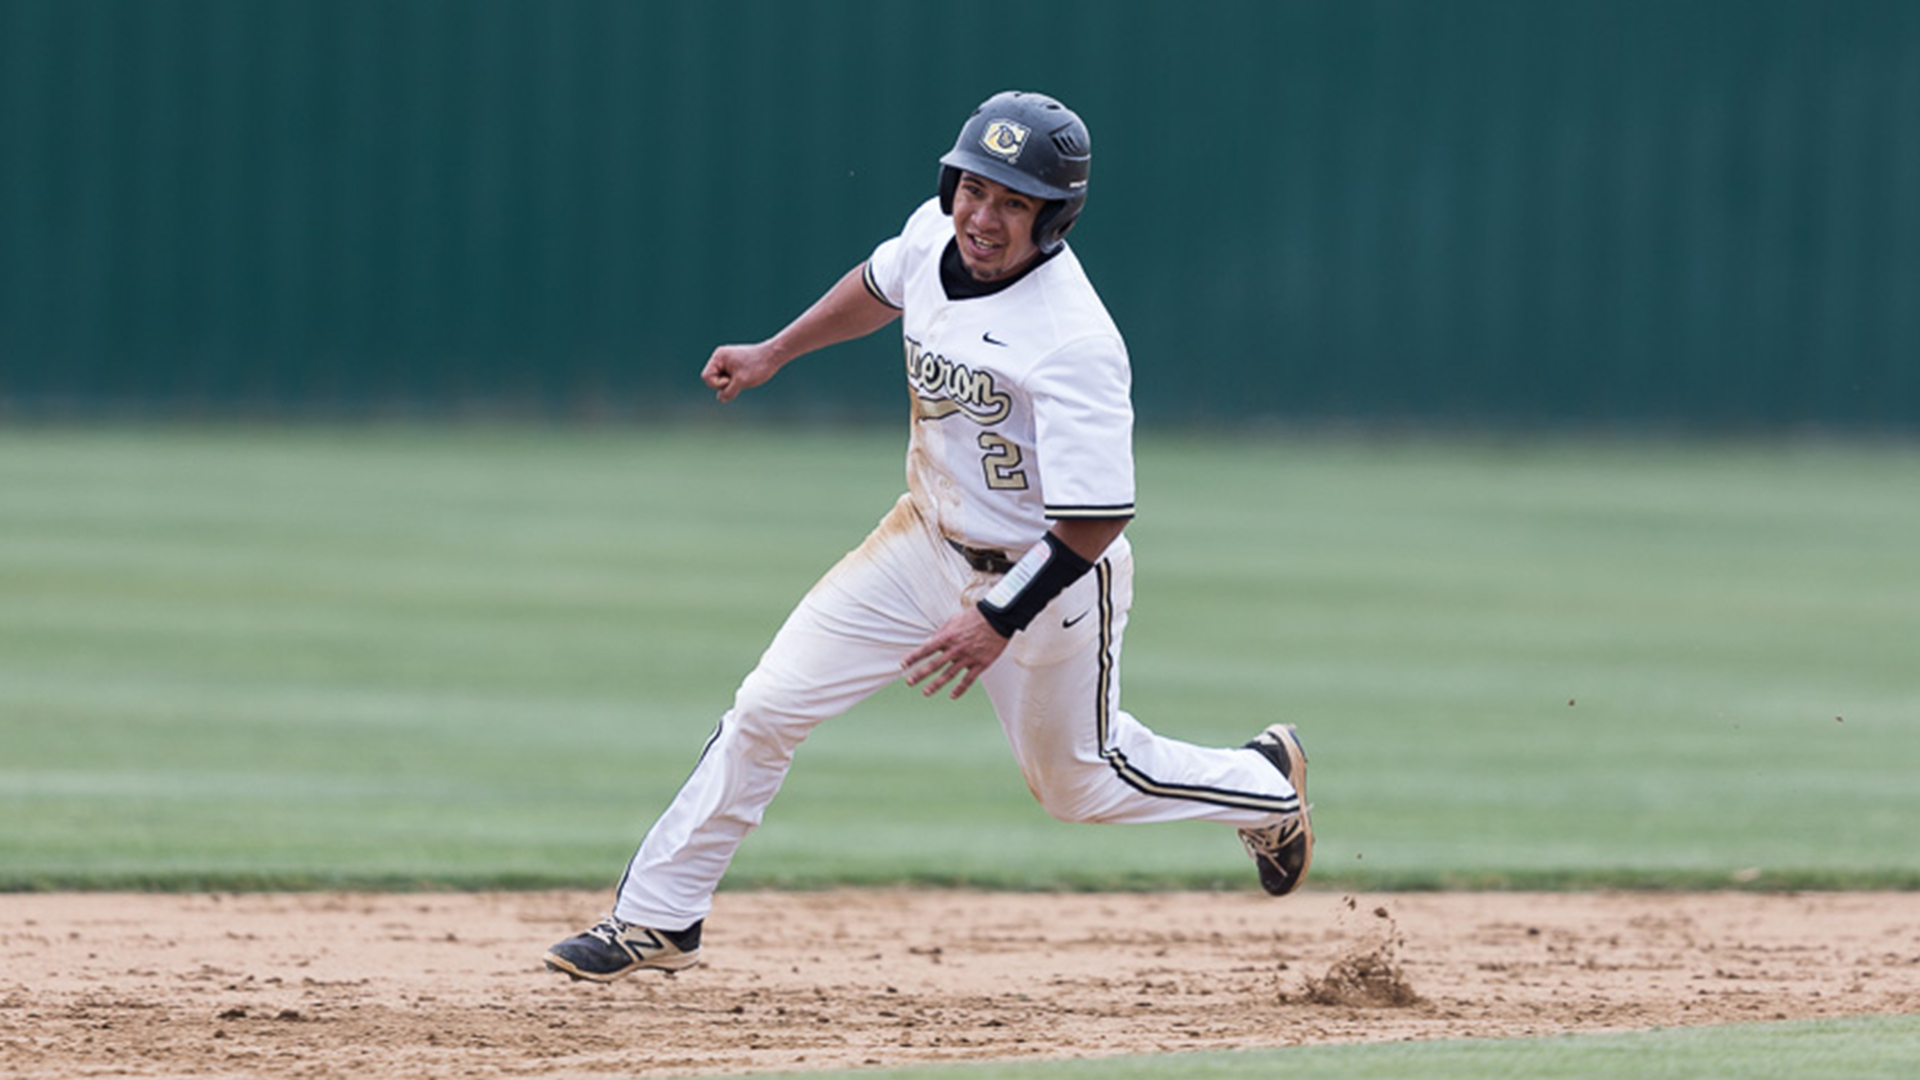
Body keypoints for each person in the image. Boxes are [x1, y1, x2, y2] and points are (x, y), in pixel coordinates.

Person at [544, 90, 1313, 981]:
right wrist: (774, 352)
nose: (983, 217)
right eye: (973, 188)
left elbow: (1097, 518)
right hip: (921, 539)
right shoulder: (932, 235)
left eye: (1013, 202)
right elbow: (879, 287)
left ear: (1053, 218)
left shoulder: (1074, 341)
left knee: (1078, 786)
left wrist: (998, 618)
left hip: (1048, 578)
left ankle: (1264, 789)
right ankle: (658, 919)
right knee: (766, 706)